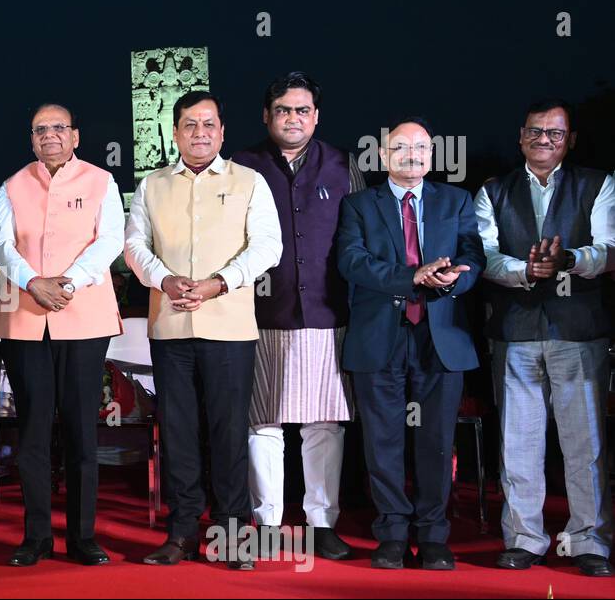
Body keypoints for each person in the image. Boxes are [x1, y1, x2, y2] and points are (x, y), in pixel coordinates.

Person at [126, 91, 282, 570]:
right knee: (178, 434)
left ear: (222, 131)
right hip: (170, 327)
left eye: (208, 124)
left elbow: (268, 247)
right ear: (174, 133)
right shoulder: (151, 185)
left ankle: (235, 536)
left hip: (230, 328)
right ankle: (181, 534)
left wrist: (219, 283)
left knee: (229, 433)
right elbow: (134, 246)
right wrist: (164, 279)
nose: (200, 133)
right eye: (189, 125)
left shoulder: (249, 181)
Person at [336, 116, 484, 571]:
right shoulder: (359, 204)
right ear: (383, 156)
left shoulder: (456, 200)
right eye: (401, 148)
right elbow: (351, 260)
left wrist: (451, 280)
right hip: (379, 335)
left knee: (436, 439)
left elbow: (473, 256)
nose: (412, 156)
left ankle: (434, 536)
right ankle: (393, 534)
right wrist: (409, 276)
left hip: (440, 336)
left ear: (432, 156)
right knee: (383, 441)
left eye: (421, 149)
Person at [475, 98, 614, 577]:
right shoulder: (493, 191)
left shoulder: (598, 184)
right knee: (517, 443)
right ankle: (524, 539)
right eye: (536, 131)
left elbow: (609, 249)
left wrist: (569, 260)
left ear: (569, 140)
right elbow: (485, 256)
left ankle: (589, 540)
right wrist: (525, 270)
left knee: (585, 443)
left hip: (578, 330)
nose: (544, 140)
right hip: (514, 333)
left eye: (555, 133)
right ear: (521, 136)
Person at [231, 72, 364, 560]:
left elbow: (361, 235)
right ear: (267, 116)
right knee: (262, 422)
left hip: (329, 311)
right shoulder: (241, 166)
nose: (293, 118)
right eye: (283, 110)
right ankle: (265, 521)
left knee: (324, 423)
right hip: (258, 312)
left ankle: (321, 523)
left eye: (302, 110)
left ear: (316, 116)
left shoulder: (343, 165)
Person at [0, 103, 124, 567]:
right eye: (40, 130)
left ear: (75, 136)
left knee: (81, 428)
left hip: (83, 316)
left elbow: (110, 241)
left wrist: (67, 282)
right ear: (32, 139)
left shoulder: (101, 181)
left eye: (59, 128)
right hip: (25, 319)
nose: (50, 135)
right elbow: (1, 246)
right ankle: (37, 535)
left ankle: (83, 536)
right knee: (31, 429)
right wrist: (33, 282)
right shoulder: (11, 185)